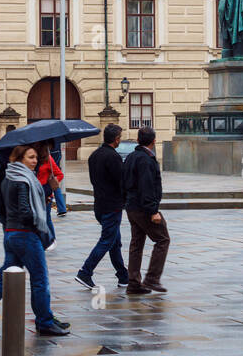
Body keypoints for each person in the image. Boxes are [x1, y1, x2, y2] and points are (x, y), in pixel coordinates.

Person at [0, 144, 70, 337]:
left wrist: (45, 190)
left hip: (11, 233)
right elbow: (25, 209)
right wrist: (38, 227)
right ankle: (44, 322)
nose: (35, 161)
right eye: (31, 157)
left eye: (36, 157)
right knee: (40, 279)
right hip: (25, 234)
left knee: (6, 278)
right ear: (20, 159)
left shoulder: (11, 175)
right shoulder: (22, 179)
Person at [75, 124, 130, 291]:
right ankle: (85, 271)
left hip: (99, 204)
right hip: (112, 205)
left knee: (115, 242)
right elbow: (121, 181)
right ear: (116, 139)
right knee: (107, 241)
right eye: (120, 137)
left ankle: (123, 275)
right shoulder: (112, 157)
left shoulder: (95, 155)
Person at [122, 127, 169, 295]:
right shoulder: (146, 160)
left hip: (131, 207)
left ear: (138, 139)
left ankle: (133, 282)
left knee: (137, 243)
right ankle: (152, 278)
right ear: (154, 141)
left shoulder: (131, 157)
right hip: (143, 208)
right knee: (163, 239)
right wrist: (153, 211)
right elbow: (147, 186)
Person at [35, 142, 65, 234]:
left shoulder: (48, 159)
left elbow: (60, 174)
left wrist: (50, 183)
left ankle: (51, 240)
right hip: (33, 194)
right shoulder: (31, 157)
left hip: (45, 194)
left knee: (46, 219)